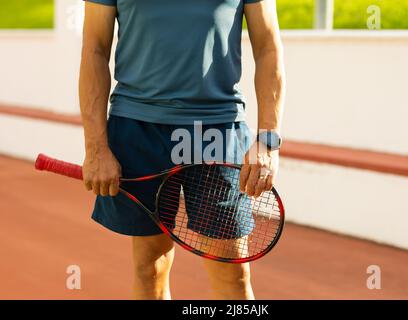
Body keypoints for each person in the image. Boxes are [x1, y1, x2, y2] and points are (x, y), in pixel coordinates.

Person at [79, 0, 285, 300]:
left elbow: (268, 45)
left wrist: (268, 141)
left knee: (233, 272)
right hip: (138, 127)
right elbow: (94, 49)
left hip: (217, 128)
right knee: (149, 266)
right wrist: (96, 148)